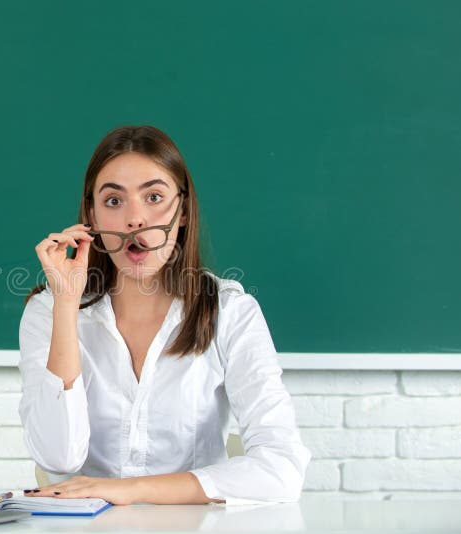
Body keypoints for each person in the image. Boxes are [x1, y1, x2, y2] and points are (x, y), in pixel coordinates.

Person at [18, 125, 311, 505]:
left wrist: (127, 491)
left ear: (183, 212)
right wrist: (67, 304)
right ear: (91, 215)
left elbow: (282, 469)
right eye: (113, 201)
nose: (135, 219)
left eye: (154, 196)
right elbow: (59, 457)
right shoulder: (49, 310)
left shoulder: (230, 312)